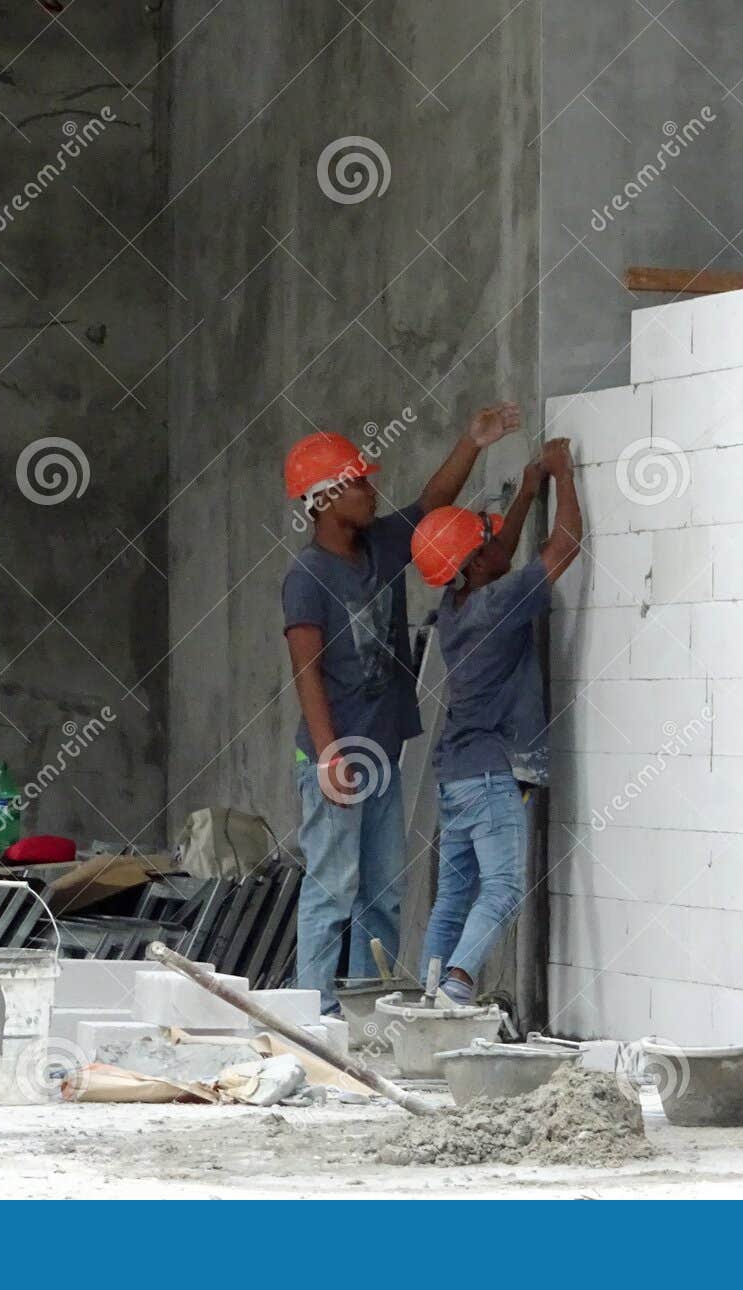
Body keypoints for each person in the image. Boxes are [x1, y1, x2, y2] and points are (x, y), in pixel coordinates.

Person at [281, 404, 520, 1016]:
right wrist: (329, 751)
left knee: (383, 893)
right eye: (358, 482)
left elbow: (428, 507)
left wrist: (473, 441)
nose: (370, 489)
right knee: (332, 891)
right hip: (338, 756)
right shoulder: (308, 575)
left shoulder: (381, 547)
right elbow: (306, 670)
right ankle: (315, 1016)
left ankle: (368, 1011)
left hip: (383, 749)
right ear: (328, 497)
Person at [409, 437, 582, 1004]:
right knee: (504, 887)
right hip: (491, 775)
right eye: (484, 538)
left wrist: (529, 491)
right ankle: (457, 987)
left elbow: (491, 551)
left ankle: (427, 999)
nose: (495, 538)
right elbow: (566, 546)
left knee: (453, 898)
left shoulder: (460, 605)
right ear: (476, 564)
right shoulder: (497, 602)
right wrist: (563, 475)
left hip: (457, 776)